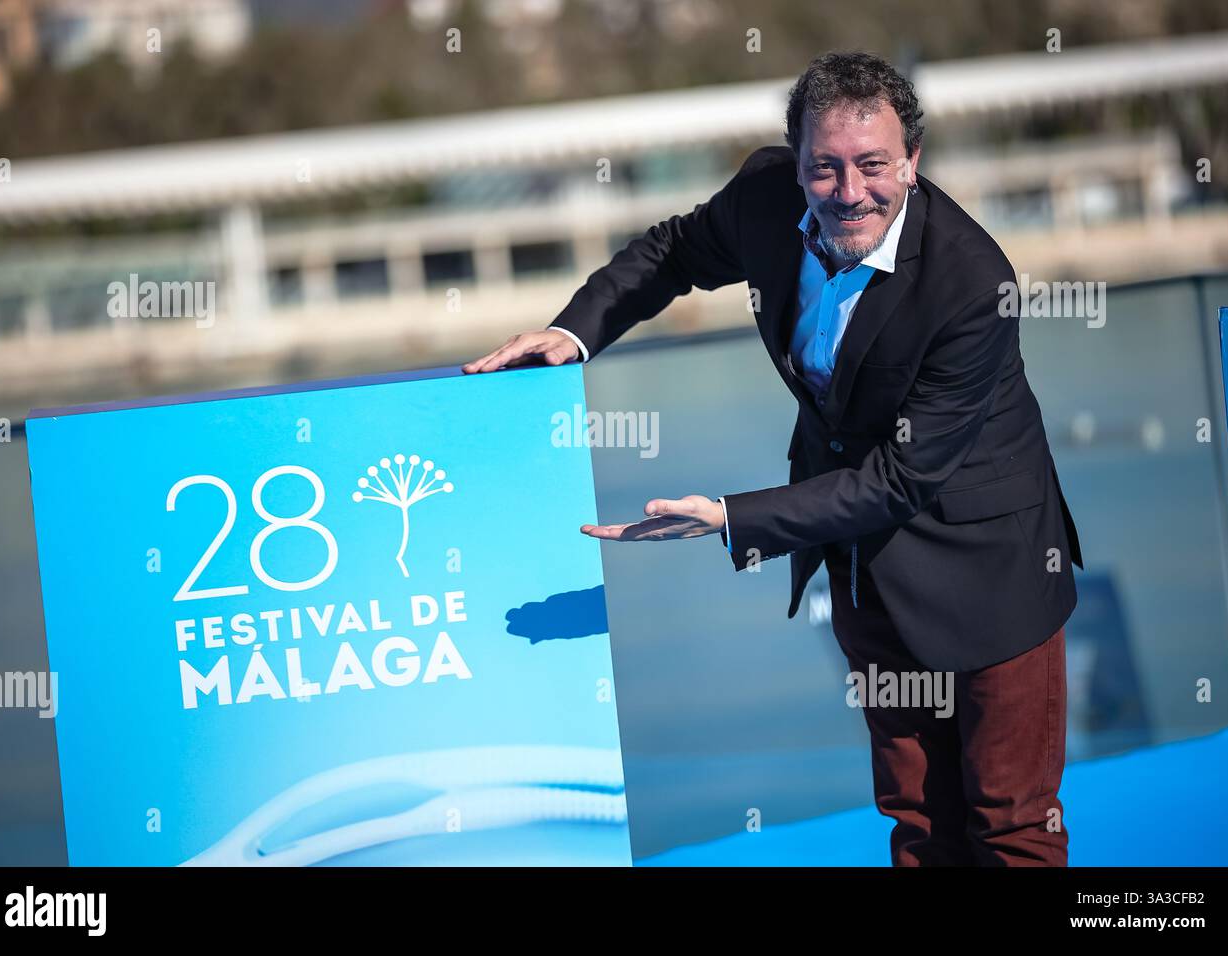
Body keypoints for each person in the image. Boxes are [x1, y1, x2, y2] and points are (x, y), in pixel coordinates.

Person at [463, 50, 1082, 866]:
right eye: (824, 168)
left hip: (991, 565)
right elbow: (675, 252)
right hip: (867, 564)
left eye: (872, 165)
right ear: (796, 166)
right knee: (918, 819)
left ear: (913, 161)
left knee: (1009, 824)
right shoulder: (764, 201)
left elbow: (902, 476)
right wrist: (576, 331)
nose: (849, 191)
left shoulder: (971, 283)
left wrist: (730, 520)